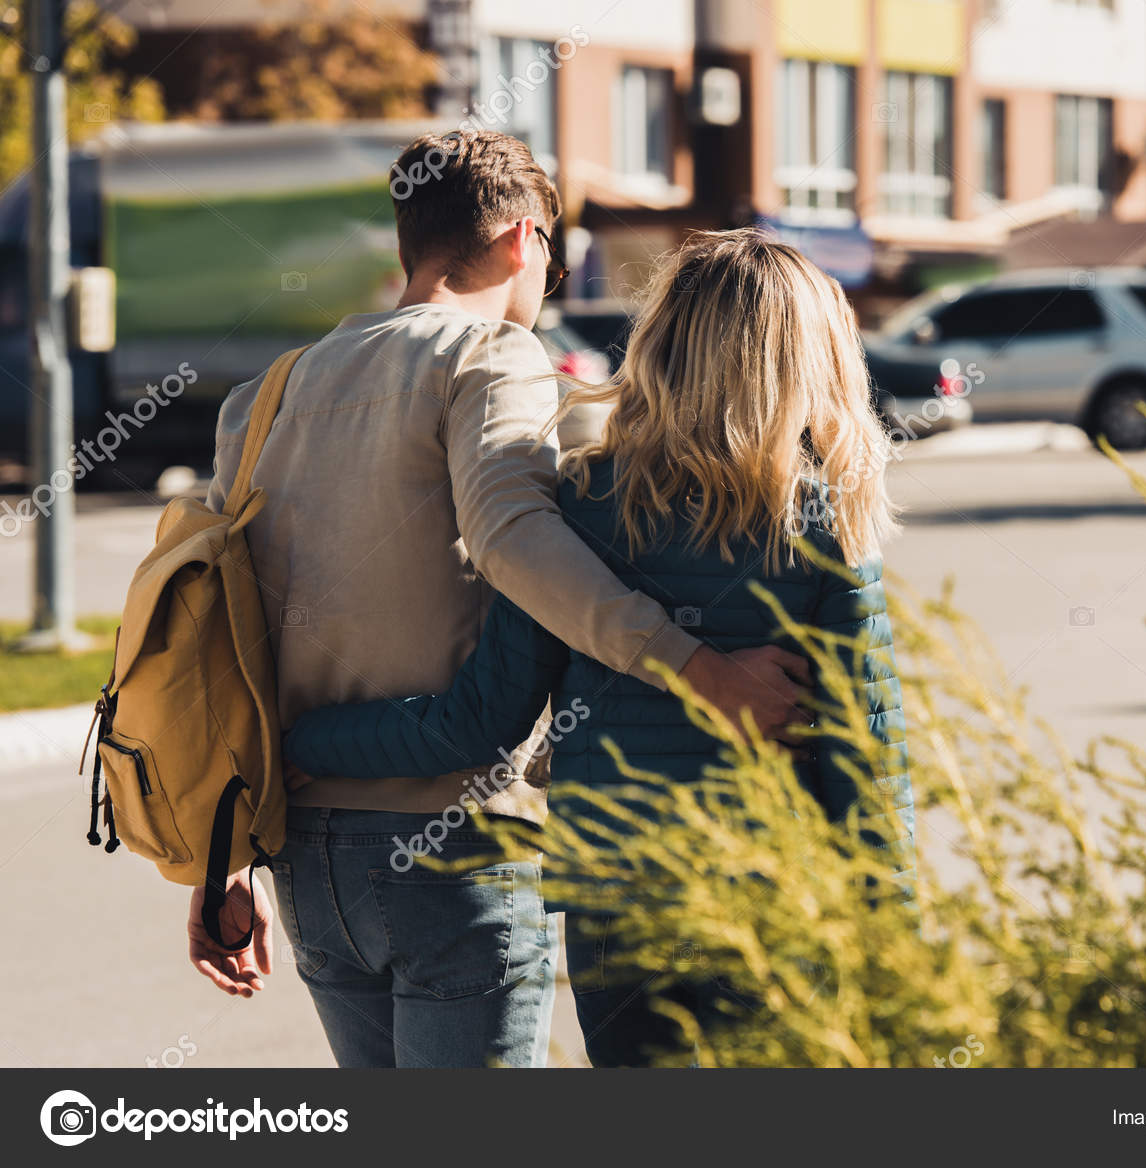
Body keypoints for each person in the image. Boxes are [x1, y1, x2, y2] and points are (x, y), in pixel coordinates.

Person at [190, 133, 811, 1069]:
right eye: (553, 259)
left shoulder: (266, 395)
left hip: (305, 852)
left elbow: (222, 638)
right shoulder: (492, 356)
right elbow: (515, 539)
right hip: (452, 847)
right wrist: (703, 672)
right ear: (525, 239)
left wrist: (220, 852)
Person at [283, 229, 915, 1067]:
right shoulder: (823, 524)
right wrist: (902, 955)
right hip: (774, 902)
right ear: (814, 362)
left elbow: (475, 724)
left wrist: (299, 740)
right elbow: (867, 769)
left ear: (662, 348)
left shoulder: (584, 506)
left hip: (616, 910)